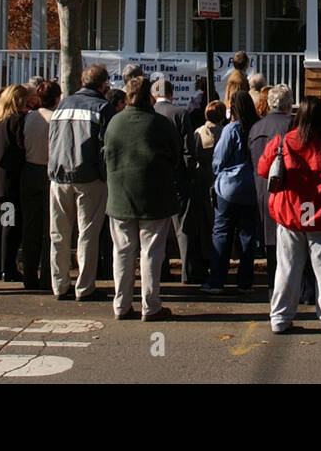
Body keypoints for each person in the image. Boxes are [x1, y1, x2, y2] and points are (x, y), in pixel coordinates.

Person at [256, 96, 321, 336]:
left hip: (290, 213)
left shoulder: (282, 142)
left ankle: (280, 316)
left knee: (287, 268)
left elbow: (263, 169)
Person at [103, 76, 186, 320]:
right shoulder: (160, 124)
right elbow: (176, 156)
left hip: (120, 197)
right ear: (149, 96)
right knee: (151, 253)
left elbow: (106, 156)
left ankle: (121, 304)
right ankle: (151, 305)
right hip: (154, 197)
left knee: (122, 252)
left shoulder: (115, 123)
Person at [48, 64, 113, 301]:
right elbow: (105, 147)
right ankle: (85, 287)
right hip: (89, 177)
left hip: (59, 175)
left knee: (59, 233)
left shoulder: (63, 104)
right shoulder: (103, 107)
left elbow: (53, 138)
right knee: (87, 234)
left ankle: (59, 284)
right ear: (102, 84)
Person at [202, 89, 262, 293]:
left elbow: (218, 161)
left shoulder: (231, 130)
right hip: (252, 188)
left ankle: (217, 280)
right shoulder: (258, 127)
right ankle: (245, 281)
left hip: (229, 188)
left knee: (222, 233)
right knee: (247, 235)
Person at [153, 77, 201, 282]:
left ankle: (160, 271)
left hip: (157, 177)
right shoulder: (181, 114)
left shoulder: (150, 114)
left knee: (156, 229)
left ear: (154, 95)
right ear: (172, 94)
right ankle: (188, 272)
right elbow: (188, 149)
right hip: (179, 176)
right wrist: (188, 173)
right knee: (183, 227)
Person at [249, 86, 294, 293]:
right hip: (287, 191)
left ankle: (273, 289)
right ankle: (292, 291)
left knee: (271, 245)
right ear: (288, 104)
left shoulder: (256, 127)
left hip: (262, 190)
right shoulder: (292, 125)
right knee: (292, 246)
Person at [0, 84, 29, 282]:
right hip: (10, 181)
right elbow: (21, 147)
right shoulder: (15, 120)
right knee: (10, 224)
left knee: (0, 224)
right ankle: (7, 267)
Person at [20, 80, 58, 290]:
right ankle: (47, 275)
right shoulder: (56, 119)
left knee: (30, 226)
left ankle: (29, 274)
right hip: (47, 172)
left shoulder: (30, 117)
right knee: (49, 228)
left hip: (29, 170)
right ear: (56, 99)